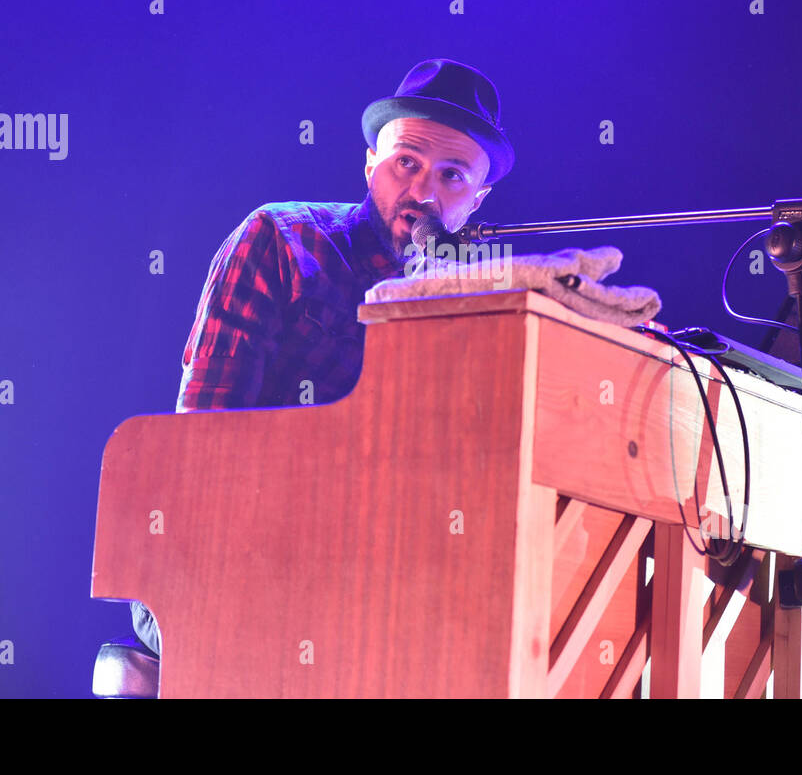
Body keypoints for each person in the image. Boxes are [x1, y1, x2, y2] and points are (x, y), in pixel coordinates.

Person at [130, 58, 516, 657]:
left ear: (478, 201)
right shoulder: (282, 239)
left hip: (374, 578)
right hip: (213, 556)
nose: (422, 192)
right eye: (406, 163)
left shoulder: (480, 302)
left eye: (452, 177)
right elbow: (199, 447)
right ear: (369, 163)